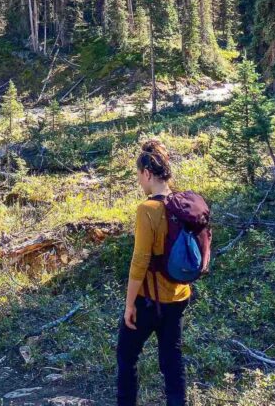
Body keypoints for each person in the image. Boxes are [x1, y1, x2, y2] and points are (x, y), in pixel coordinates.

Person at [117, 139, 192, 406]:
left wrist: (129, 305)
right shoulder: (183, 204)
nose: (139, 182)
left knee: (126, 357)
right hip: (180, 295)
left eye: (138, 176)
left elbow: (140, 261)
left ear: (147, 173)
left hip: (149, 299)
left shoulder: (147, 209)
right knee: (172, 360)